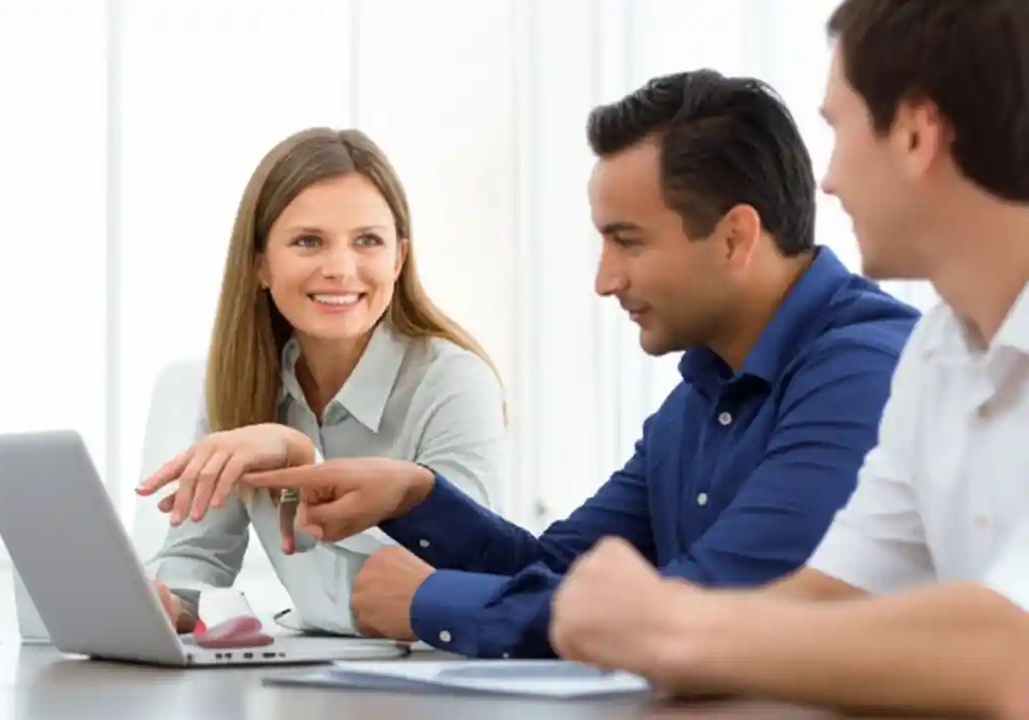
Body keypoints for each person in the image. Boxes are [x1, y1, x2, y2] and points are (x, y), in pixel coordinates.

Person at [241, 71, 920, 657]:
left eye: (626, 242)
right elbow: (558, 567)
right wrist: (417, 497)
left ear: (735, 237)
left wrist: (433, 605)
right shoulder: (701, 397)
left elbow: (713, 602)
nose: (603, 280)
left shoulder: (864, 369)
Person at [544, 1, 1029, 716]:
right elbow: (834, 590)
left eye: (838, 129)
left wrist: (674, 626)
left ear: (918, 134)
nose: (825, 181)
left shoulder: (868, 356)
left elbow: (1011, 654)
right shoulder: (937, 353)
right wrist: (667, 633)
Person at [134, 127, 506, 636]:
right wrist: (169, 606)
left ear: (398, 259)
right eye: (309, 241)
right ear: (260, 263)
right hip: (312, 669)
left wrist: (306, 465)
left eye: (367, 242)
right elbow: (198, 556)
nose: (340, 268)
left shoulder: (454, 382)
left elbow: (470, 568)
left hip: (433, 677)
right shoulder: (242, 383)